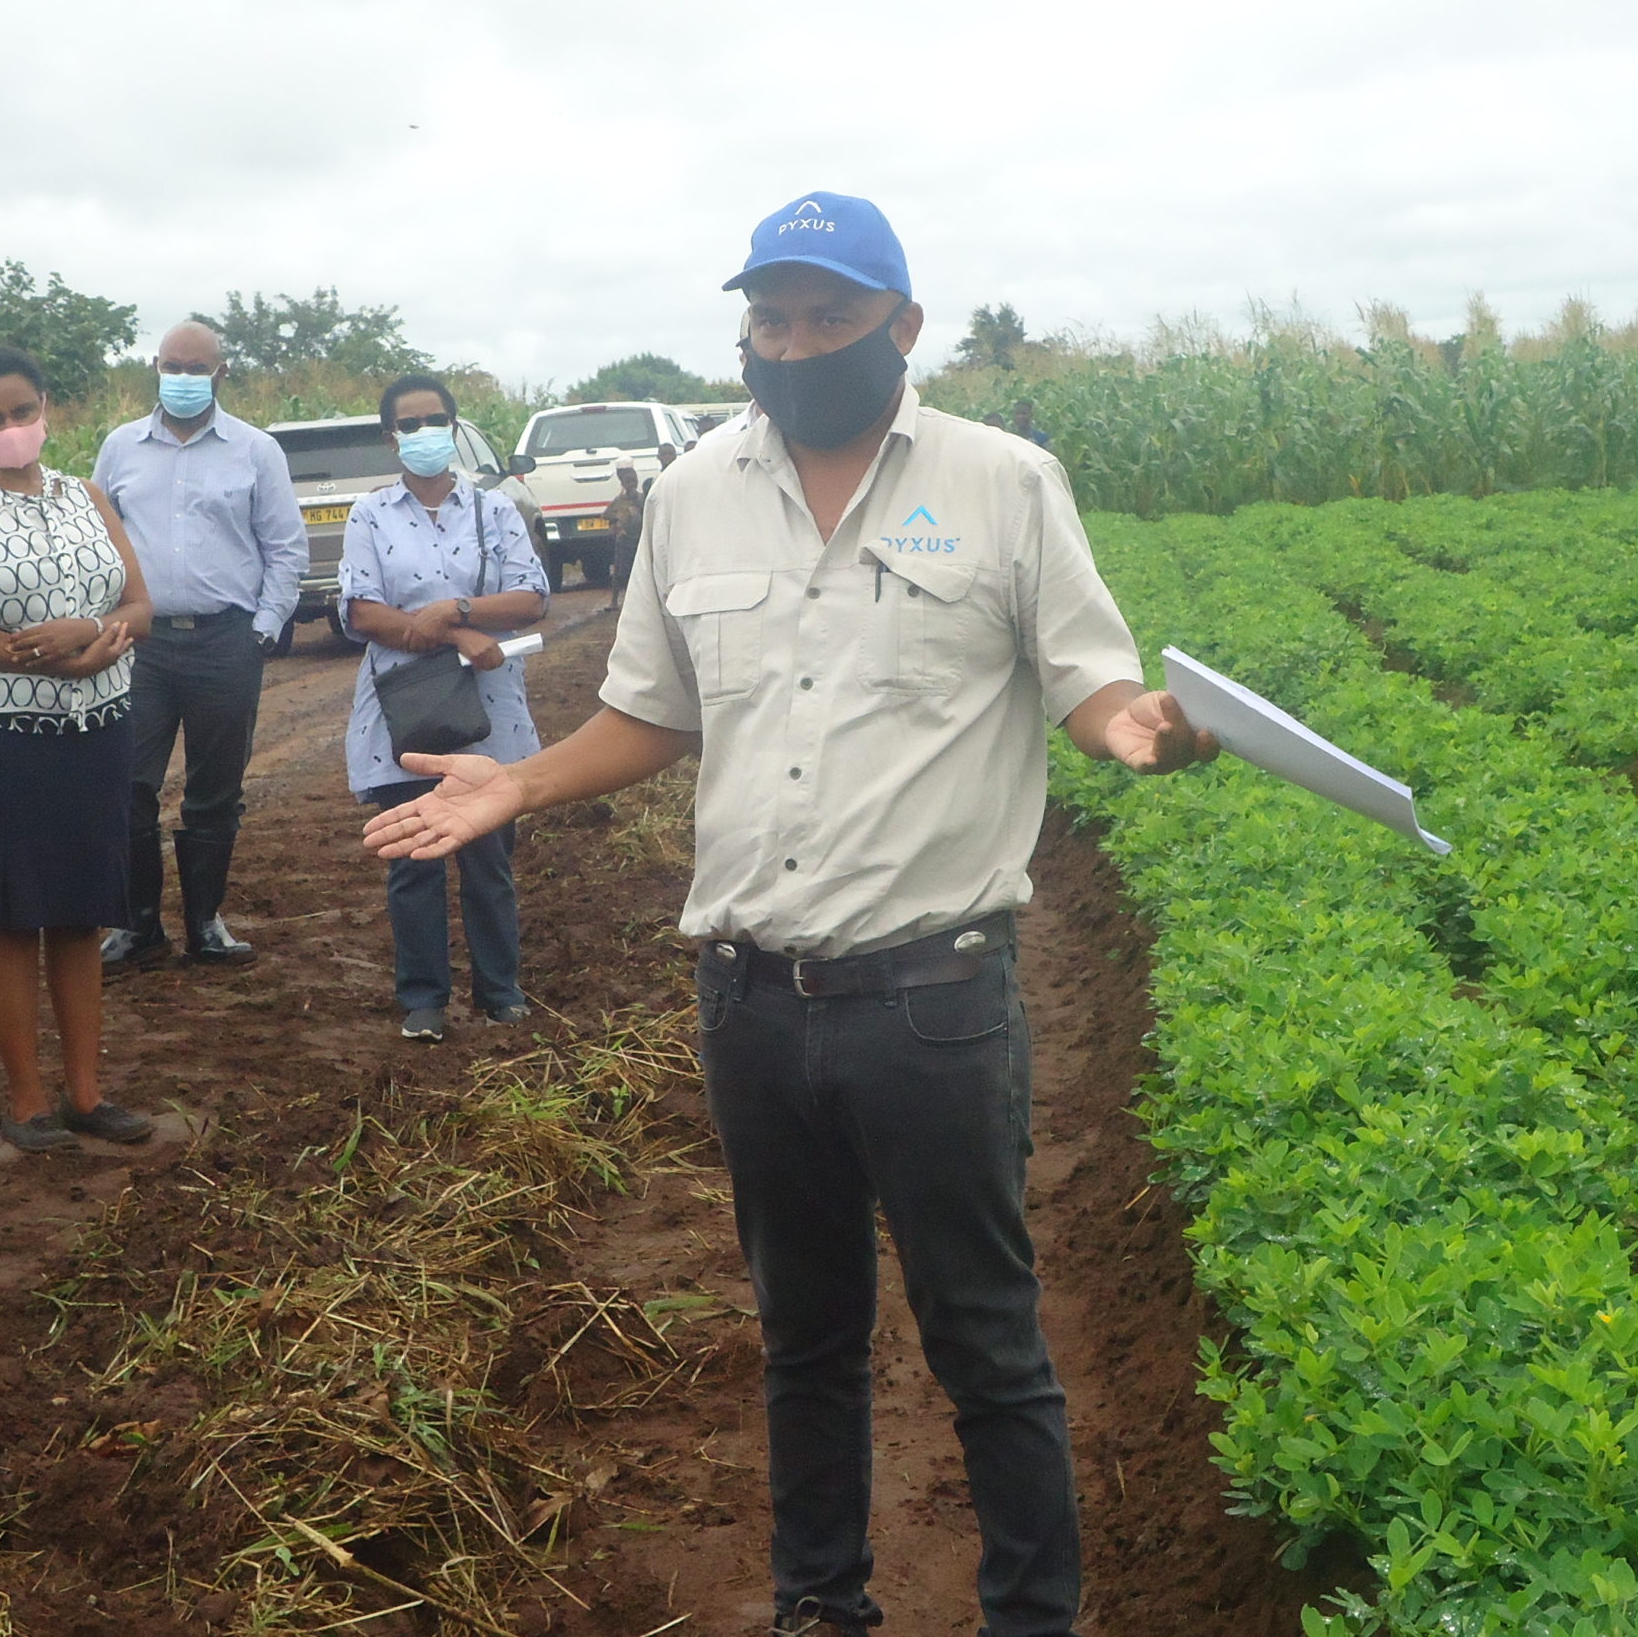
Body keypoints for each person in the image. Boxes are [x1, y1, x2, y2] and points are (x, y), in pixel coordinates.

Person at [363, 193, 1218, 1637]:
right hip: (751, 1002)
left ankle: (1033, 1615)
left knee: (988, 1345)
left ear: (903, 325)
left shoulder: (1006, 481)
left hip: (936, 1004)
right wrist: (518, 786)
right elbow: (648, 712)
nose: (798, 342)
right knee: (804, 1340)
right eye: (773, 318)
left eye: (829, 315)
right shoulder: (694, 490)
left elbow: (1089, 682)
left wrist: (1140, 732)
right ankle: (820, 1603)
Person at [0, 347, 157, 1153]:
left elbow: (138, 602)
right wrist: (55, 657)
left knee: (84, 912)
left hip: (97, 727)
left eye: (22, 412)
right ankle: (27, 1099)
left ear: (45, 406)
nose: (11, 429)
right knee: (13, 917)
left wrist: (94, 637)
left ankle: (88, 1092)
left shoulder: (87, 495)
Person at [342, 374, 550, 1041]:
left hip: (487, 713)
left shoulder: (496, 512)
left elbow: (531, 596)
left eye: (436, 419)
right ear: (391, 436)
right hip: (406, 712)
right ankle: (424, 1000)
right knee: (412, 864)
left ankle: (499, 991)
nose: (424, 432)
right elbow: (361, 611)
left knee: (490, 859)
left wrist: (458, 608)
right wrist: (458, 633)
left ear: (453, 428)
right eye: (410, 423)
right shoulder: (368, 514)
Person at [92, 321, 306, 969]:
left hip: (225, 641)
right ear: (155, 367)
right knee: (126, 784)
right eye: (172, 366)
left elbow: (285, 548)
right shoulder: (120, 447)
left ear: (222, 373)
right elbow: (96, 538)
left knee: (215, 790)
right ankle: (137, 924)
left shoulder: (255, 450)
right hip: (141, 647)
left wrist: (261, 630)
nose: (183, 378)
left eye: (197, 368)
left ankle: (206, 921)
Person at [601, 460, 644, 612]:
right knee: (619, 572)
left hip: (640, 539)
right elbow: (606, 515)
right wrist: (616, 523)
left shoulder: (642, 498)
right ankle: (614, 601)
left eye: (634, 481)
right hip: (624, 540)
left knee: (641, 572)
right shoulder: (619, 500)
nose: (632, 484)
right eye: (628, 481)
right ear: (623, 484)